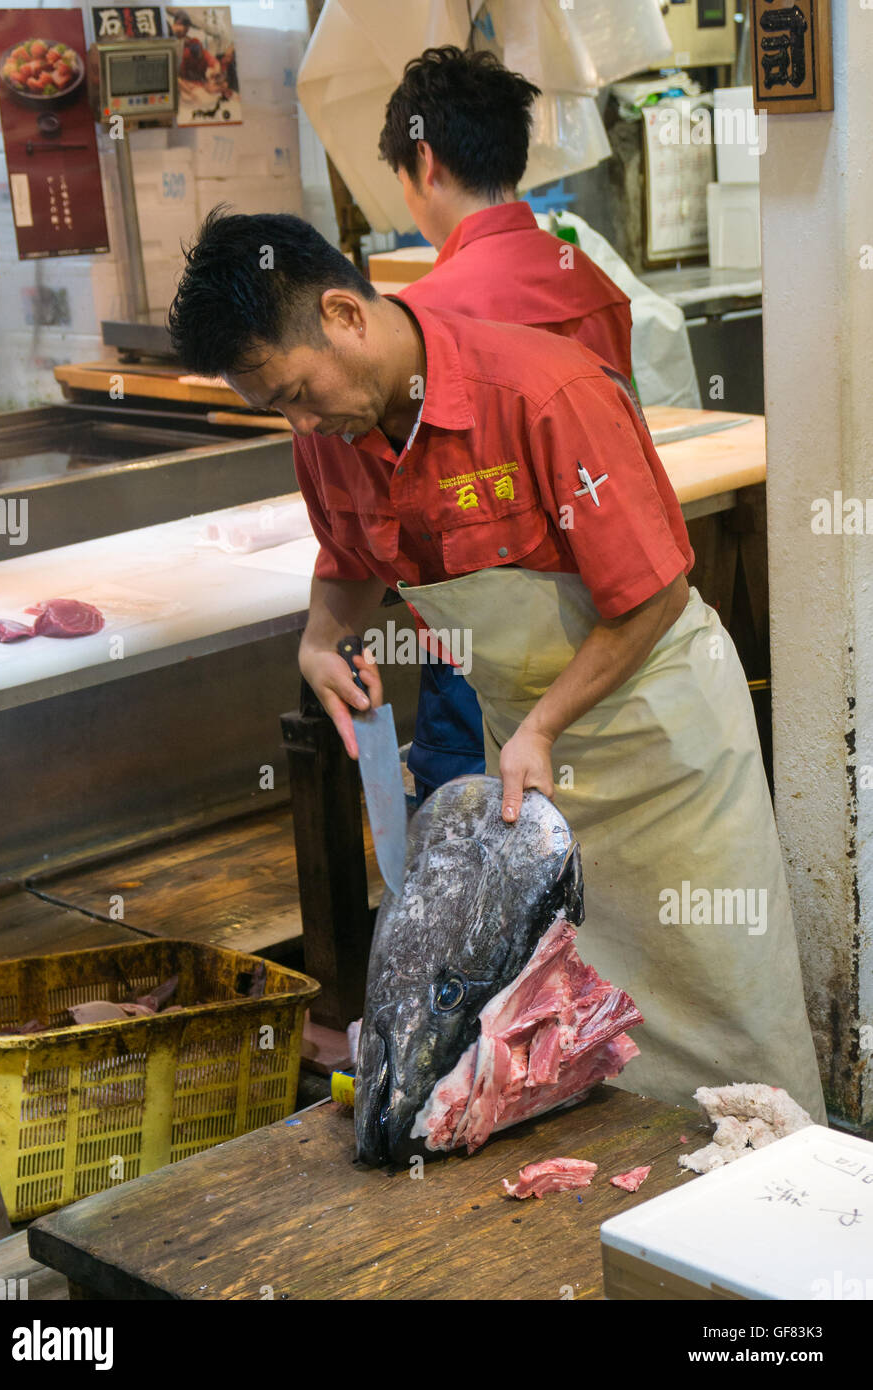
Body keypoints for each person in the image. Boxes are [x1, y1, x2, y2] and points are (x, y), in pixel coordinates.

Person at [168, 211, 827, 1123]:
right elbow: (352, 561)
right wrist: (320, 638)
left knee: (725, 1007)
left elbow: (651, 596)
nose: (299, 421)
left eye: (295, 391)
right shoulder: (328, 432)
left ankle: (773, 1209)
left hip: (660, 744)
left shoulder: (543, 393)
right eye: (276, 408)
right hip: (527, 752)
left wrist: (545, 724)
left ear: (343, 314)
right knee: (566, 1027)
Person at [378, 47, 634, 804]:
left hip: (479, 654)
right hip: (603, 637)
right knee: (582, 865)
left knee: (475, 874)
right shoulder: (589, 283)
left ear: (423, 160)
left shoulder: (419, 319)